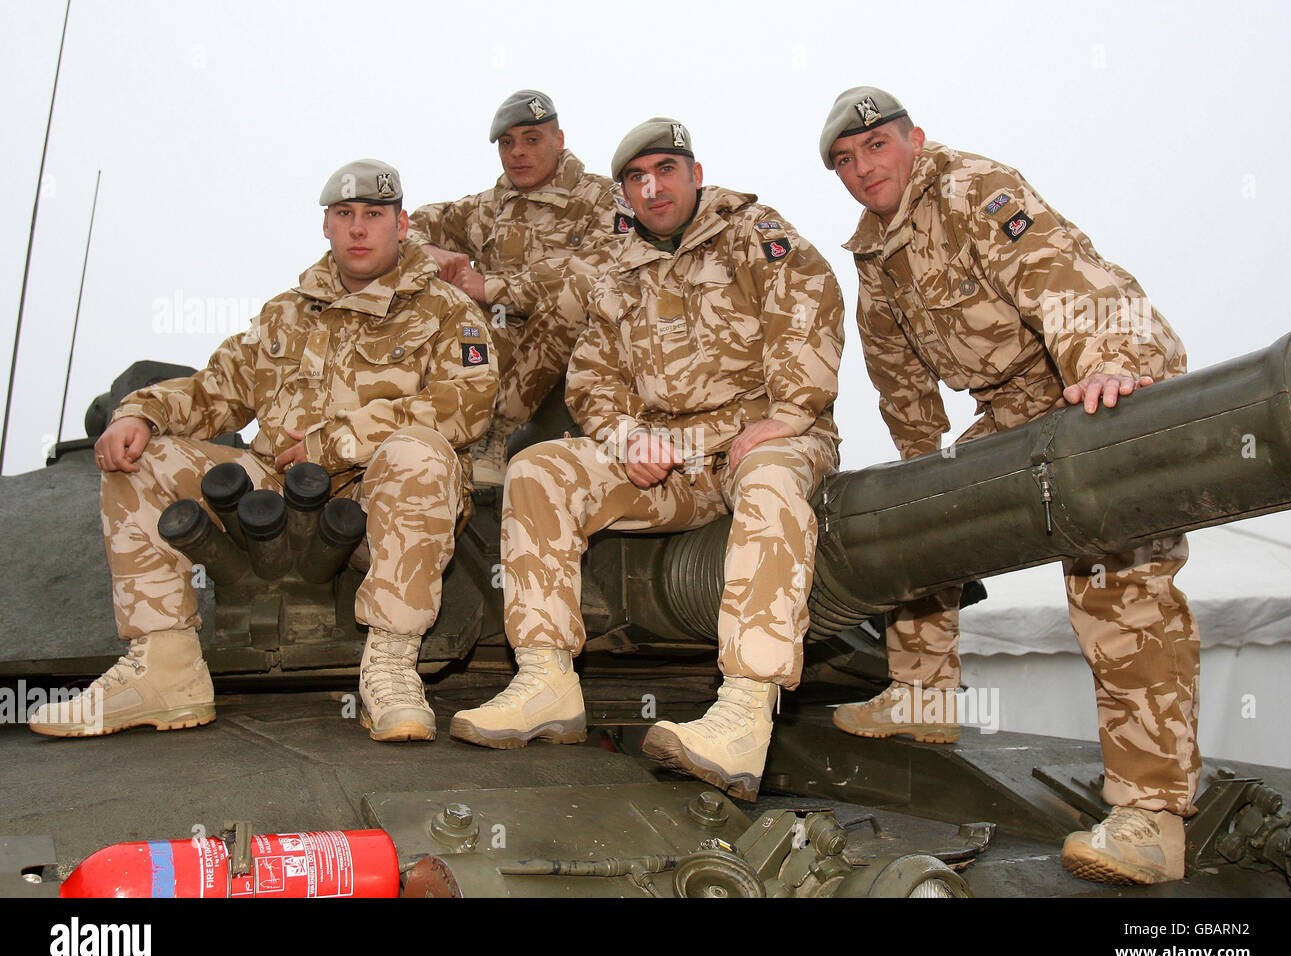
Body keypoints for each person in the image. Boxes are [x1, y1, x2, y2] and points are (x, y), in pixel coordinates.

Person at [821, 86, 1199, 884]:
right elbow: (902, 387)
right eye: (846, 162)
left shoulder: (967, 188)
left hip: (1108, 367)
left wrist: (1104, 366)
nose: (863, 169)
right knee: (913, 518)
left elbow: (1058, 277)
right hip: (1019, 404)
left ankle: (1152, 816)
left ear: (913, 141)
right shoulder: (874, 259)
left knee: (1112, 577)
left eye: (877, 147)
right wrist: (918, 473)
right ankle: (922, 699)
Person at [30, 159, 497, 743]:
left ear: (402, 224)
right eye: (344, 214)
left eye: (373, 215)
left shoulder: (446, 310)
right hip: (273, 493)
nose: (358, 228)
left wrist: (333, 443)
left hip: (370, 508)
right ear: (325, 225)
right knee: (142, 457)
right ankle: (166, 668)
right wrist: (141, 411)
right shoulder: (287, 313)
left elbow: (469, 402)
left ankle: (391, 667)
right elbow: (214, 390)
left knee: (423, 452)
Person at [450, 118, 844, 802]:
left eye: (665, 169)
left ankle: (746, 712)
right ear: (625, 192)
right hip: (675, 464)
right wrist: (628, 436)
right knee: (540, 471)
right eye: (636, 177)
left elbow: (811, 307)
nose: (652, 186)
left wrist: (787, 412)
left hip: (764, 435)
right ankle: (546, 681)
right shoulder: (617, 274)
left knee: (775, 476)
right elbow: (592, 381)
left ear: (695, 172)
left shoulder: (754, 234)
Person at [406, 89, 630, 486]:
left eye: (531, 139)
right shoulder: (488, 208)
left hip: (573, 342)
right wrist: (430, 251)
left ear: (558, 141)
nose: (517, 153)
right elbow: (410, 226)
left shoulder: (603, 198)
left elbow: (603, 268)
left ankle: (498, 428)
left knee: (576, 293)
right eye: (507, 144)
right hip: (495, 338)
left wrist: (491, 285)